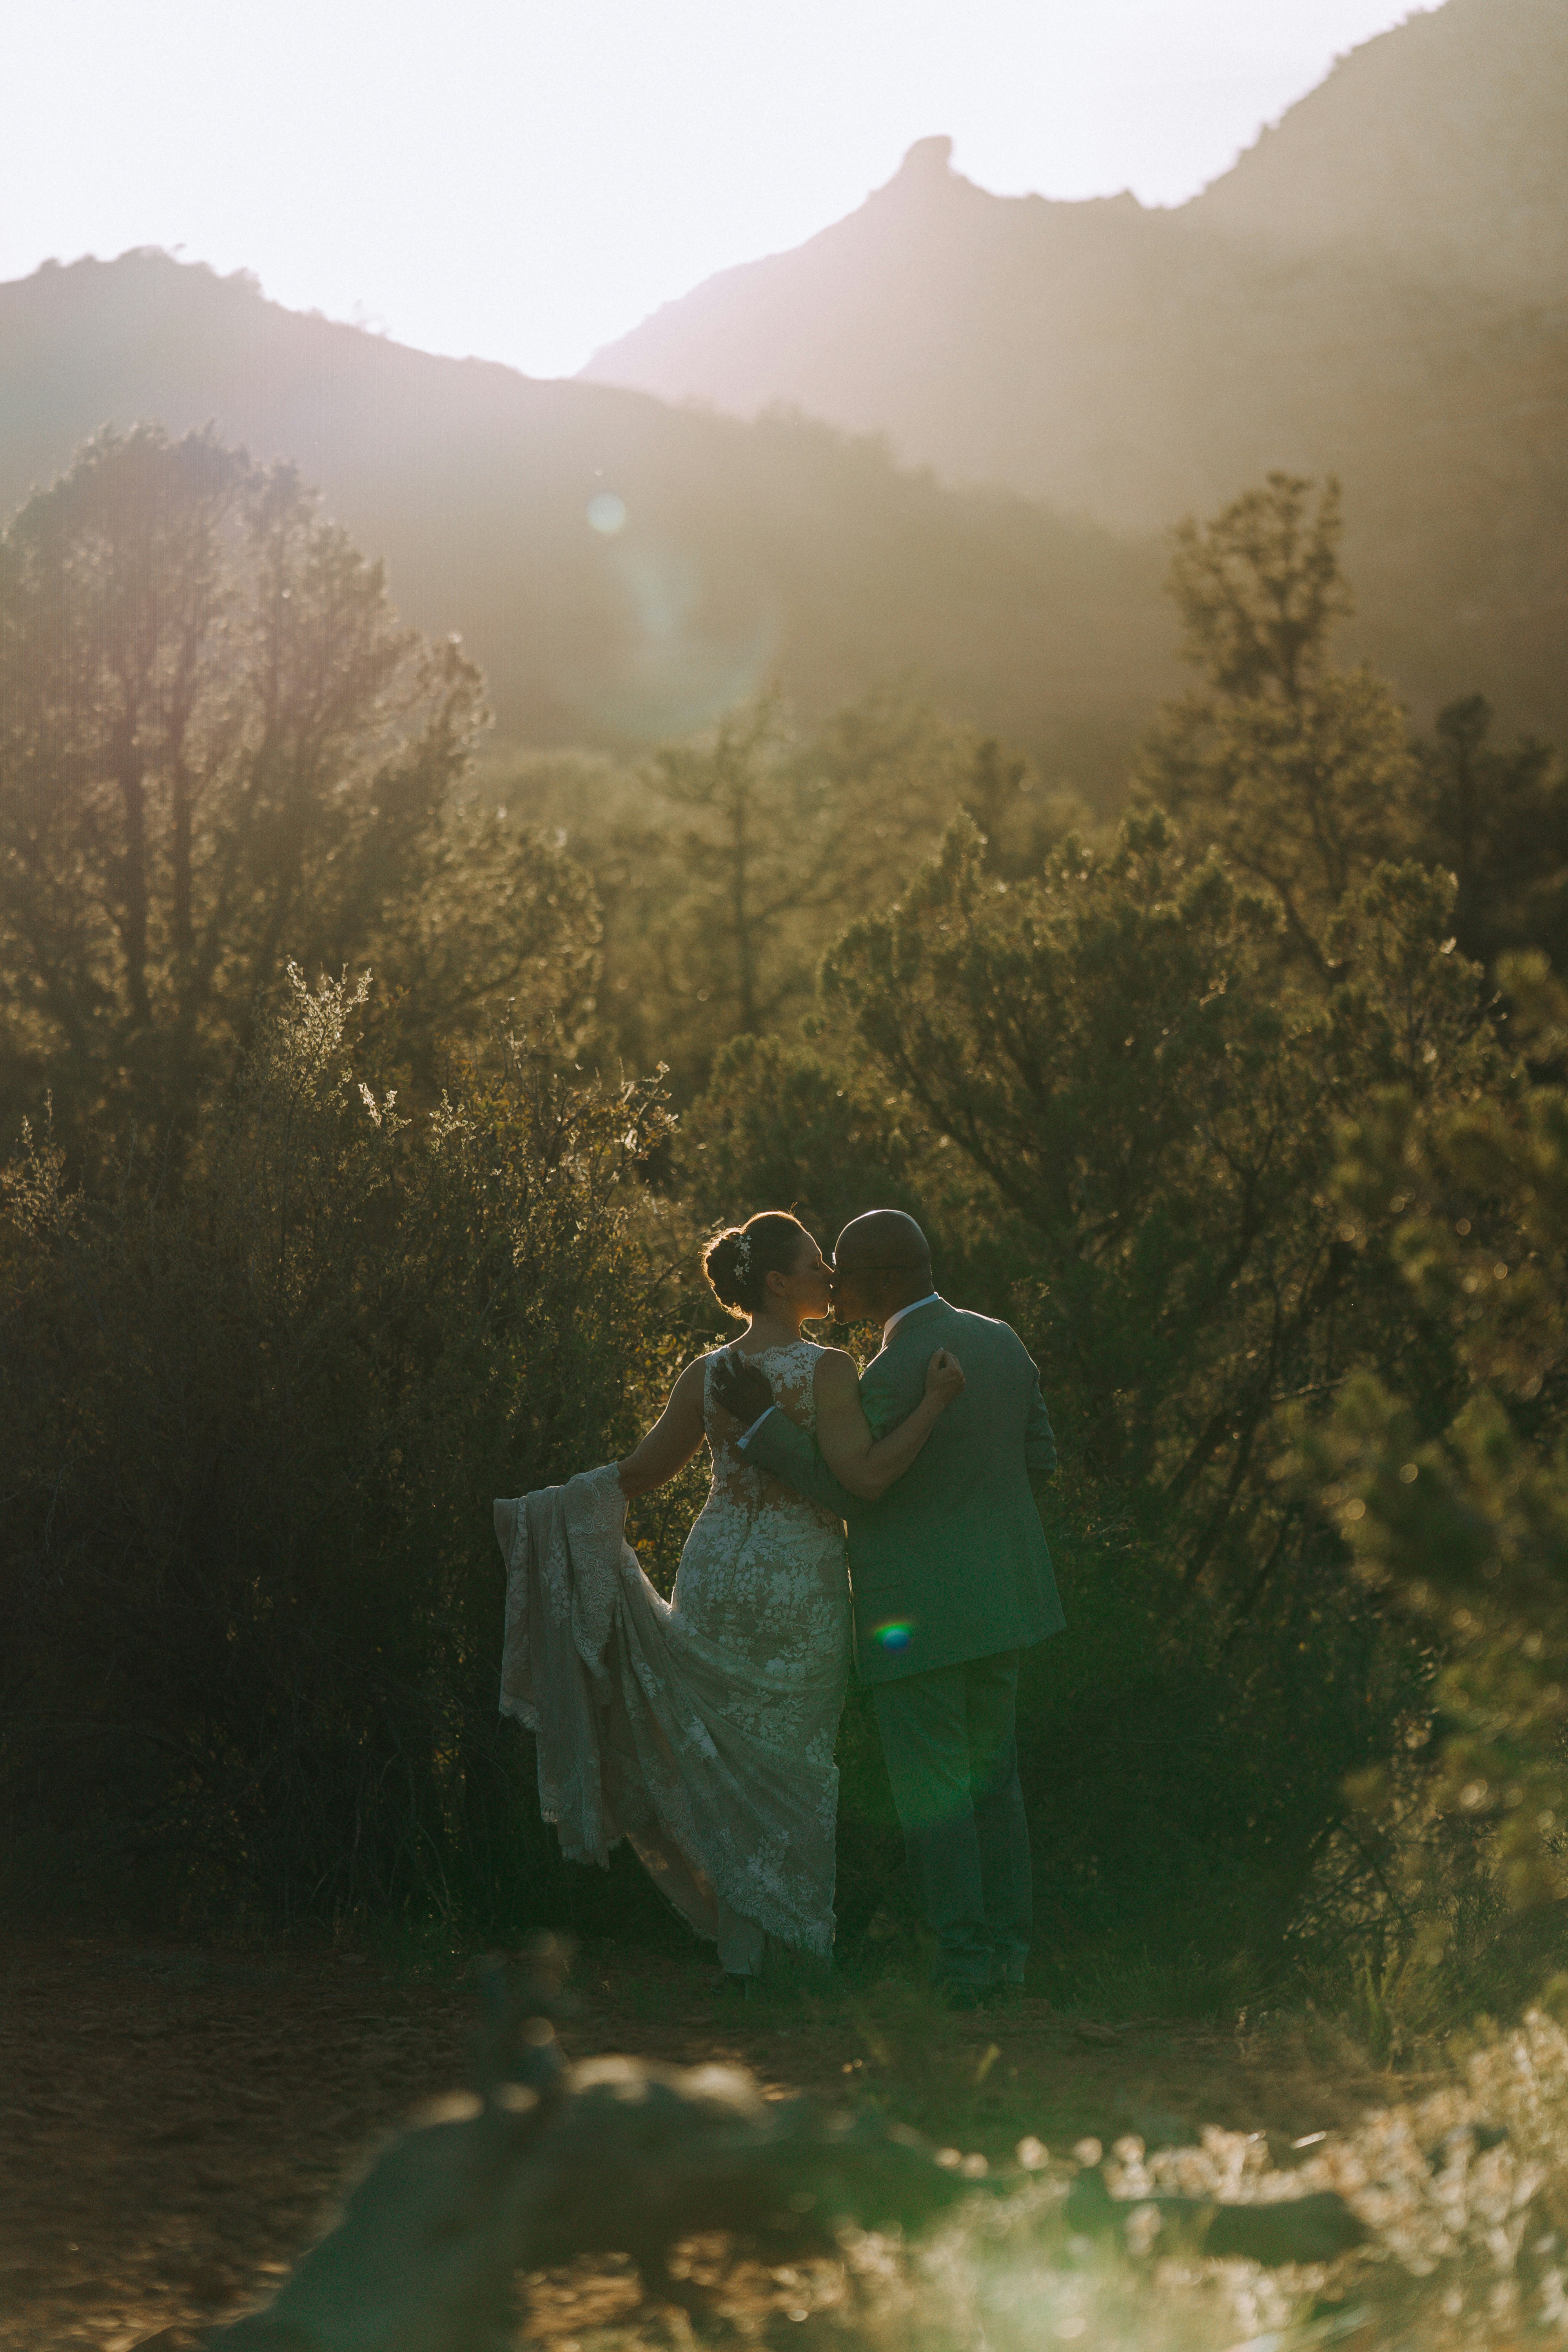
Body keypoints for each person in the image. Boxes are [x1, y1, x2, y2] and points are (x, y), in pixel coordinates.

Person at [493, 1210, 964, 1985]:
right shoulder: (829, 1368)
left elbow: (640, 1474)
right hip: (795, 1581)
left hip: (714, 1572)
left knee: (725, 1753)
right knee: (795, 1761)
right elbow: (866, 1477)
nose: (829, 1274)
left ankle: (745, 1951)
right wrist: (934, 1402)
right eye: (817, 1262)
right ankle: (786, 1951)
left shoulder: (704, 1373)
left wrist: (546, 1516)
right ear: (777, 1282)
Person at [711, 1210, 1061, 2007]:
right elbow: (1039, 1456)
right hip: (1004, 1603)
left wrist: (761, 1425)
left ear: (888, 1280)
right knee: (997, 1789)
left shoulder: (893, 1370)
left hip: (918, 1620)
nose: (833, 1282)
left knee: (935, 1799)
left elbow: (850, 1488)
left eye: (846, 1270)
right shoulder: (1001, 1340)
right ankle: (1008, 1958)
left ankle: (962, 1968)